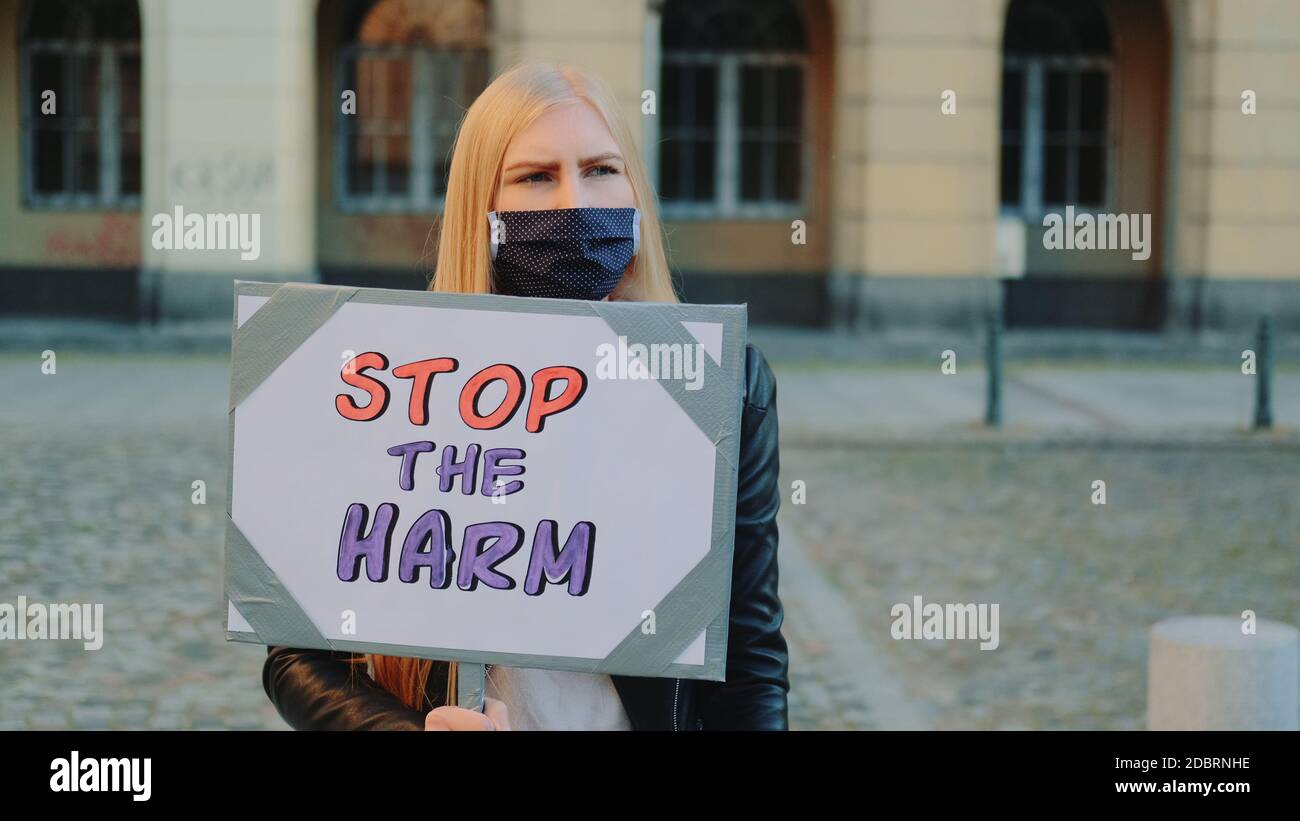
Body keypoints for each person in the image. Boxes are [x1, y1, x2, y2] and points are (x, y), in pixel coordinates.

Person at [262, 61, 788, 731]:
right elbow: (296, 657)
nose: (575, 202)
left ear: (635, 192)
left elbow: (750, 658)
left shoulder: (721, 386)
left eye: (601, 168)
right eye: (536, 177)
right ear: (484, 208)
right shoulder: (389, 380)